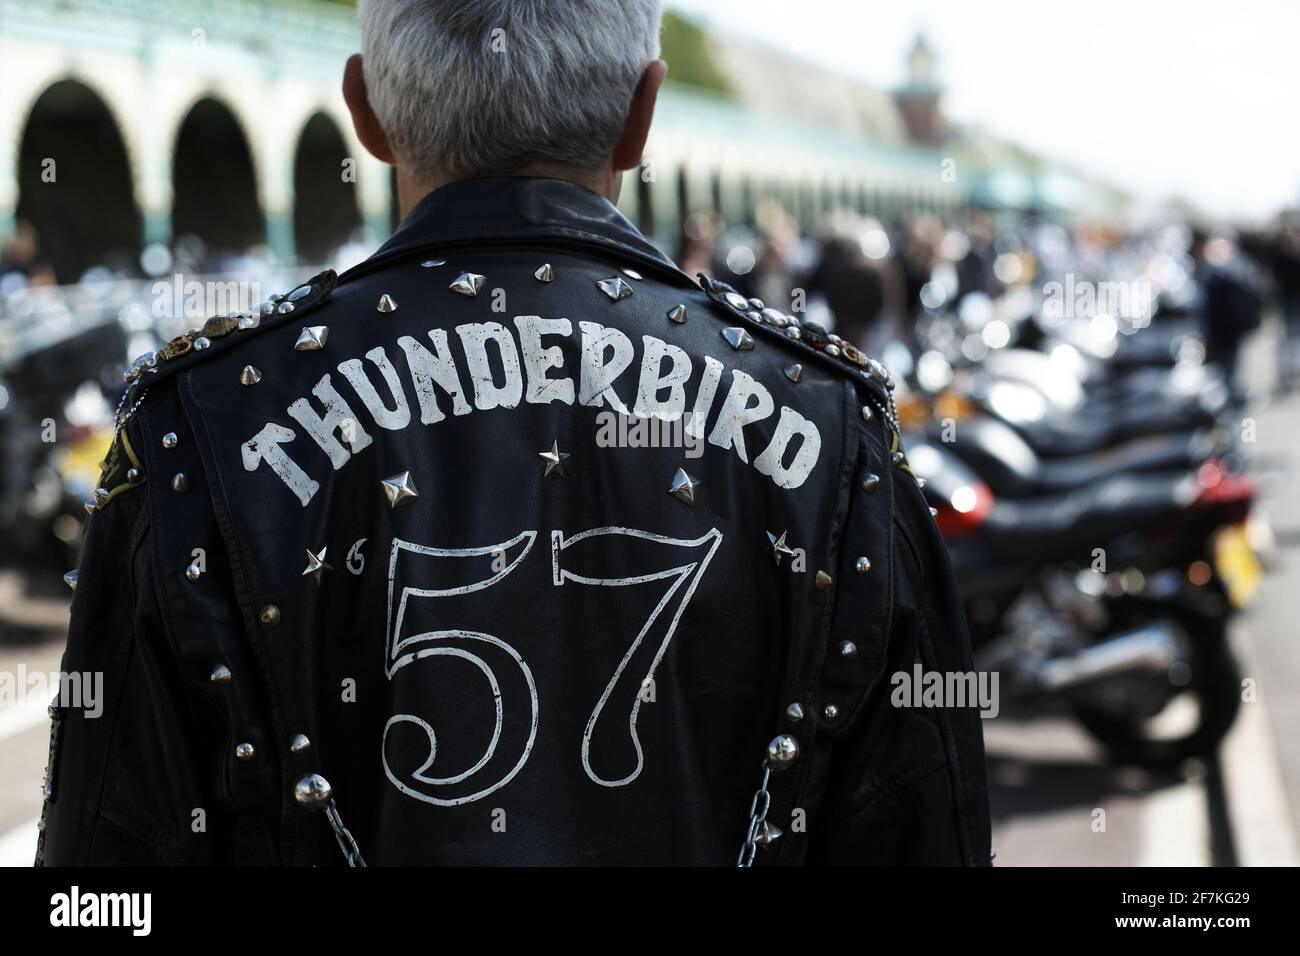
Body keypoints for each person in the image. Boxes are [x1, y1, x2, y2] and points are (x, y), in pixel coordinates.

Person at [38, 0, 990, 866]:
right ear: (641, 115)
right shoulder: (834, 424)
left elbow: (108, 868)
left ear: (364, 113)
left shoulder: (197, 423)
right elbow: (924, 831)